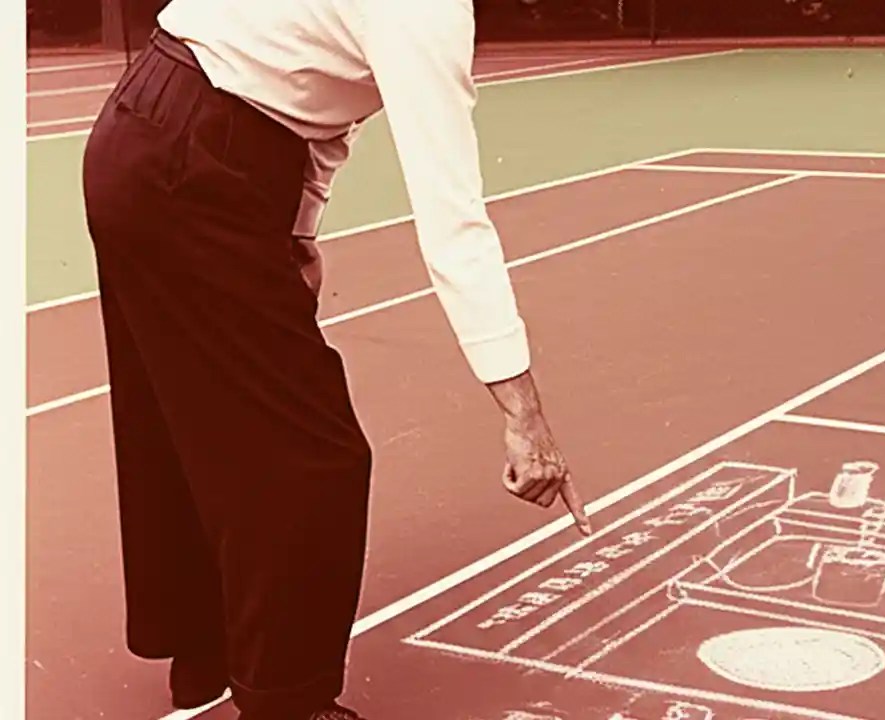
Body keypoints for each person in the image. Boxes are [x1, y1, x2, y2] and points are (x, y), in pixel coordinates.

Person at [79, 0, 591, 718]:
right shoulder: (428, 12)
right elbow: (453, 221)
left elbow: (314, 111)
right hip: (195, 165)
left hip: (148, 127)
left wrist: (294, 231)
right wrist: (523, 415)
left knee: (196, 427)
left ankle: (207, 657)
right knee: (315, 456)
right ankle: (290, 705)